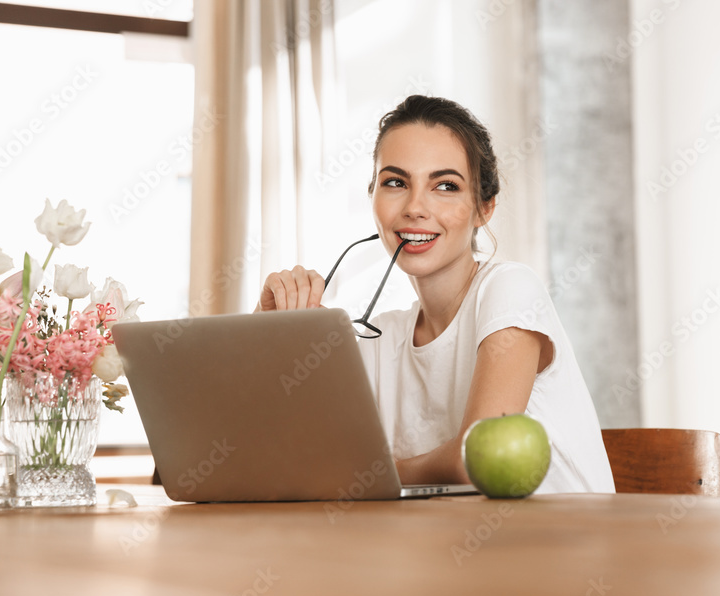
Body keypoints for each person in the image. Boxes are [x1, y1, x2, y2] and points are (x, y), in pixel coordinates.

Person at [257, 95, 615, 494]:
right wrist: (269, 329)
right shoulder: (379, 340)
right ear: (372, 195)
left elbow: (475, 457)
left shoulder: (511, 289)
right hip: (454, 550)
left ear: (484, 207)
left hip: (557, 548)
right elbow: (275, 455)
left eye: (445, 186)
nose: (415, 207)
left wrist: (372, 473)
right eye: (395, 182)